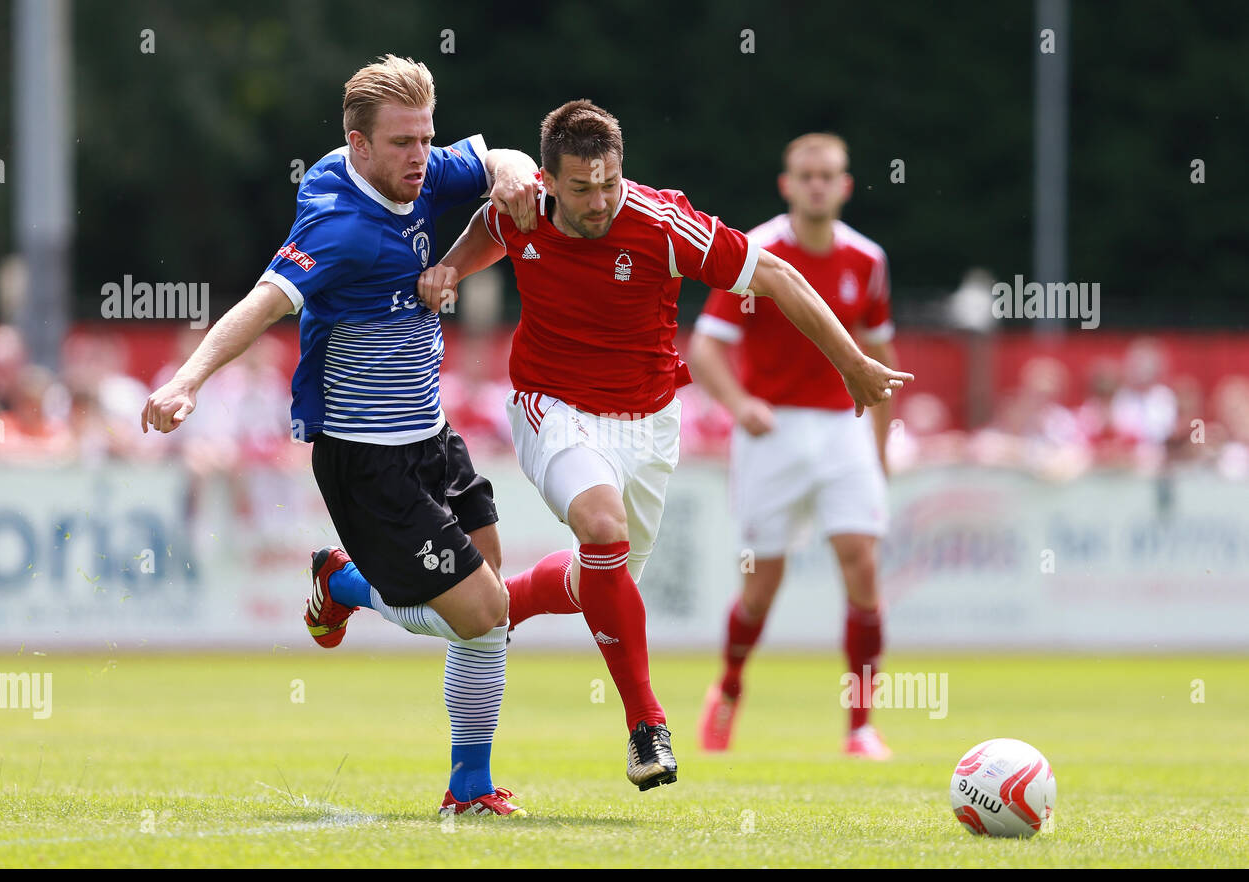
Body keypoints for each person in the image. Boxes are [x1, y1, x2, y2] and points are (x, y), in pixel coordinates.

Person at [417, 104, 912, 788]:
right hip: (551, 407)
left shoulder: (662, 223)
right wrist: (449, 268)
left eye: (611, 183)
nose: (599, 202)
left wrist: (851, 362)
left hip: (647, 425)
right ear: (550, 182)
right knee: (600, 525)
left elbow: (778, 278)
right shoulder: (522, 207)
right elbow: (489, 230)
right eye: (582, 189)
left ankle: (500, 606)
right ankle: (646, 722)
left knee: (601, 575)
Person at [142, 55, 541, 817]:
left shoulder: (421, 170)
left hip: (431, 432)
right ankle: (347, 584)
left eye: (426, 137)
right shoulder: (340, 227)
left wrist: (516, 173)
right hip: (368, 459)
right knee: (484, 610)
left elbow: (500, 159)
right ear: (358, 148)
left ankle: (464, 779)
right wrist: (188, 380)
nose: (420, 157)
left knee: (490, 606)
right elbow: (263, 304)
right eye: (401, 143)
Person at [688, 133, 901, 759]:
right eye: (805, 175)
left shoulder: (867, 259)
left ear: (844, 185)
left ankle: (860, 727)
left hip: (843, 428)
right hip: (772, 431)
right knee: (761, 584)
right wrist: (738, 403)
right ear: (787, 185)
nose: (816, 185)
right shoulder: (757, 252)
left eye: (827, 175)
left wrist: (882, 448)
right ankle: (727, 691)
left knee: (862, 566)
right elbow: (706, 346)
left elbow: (881, 356)